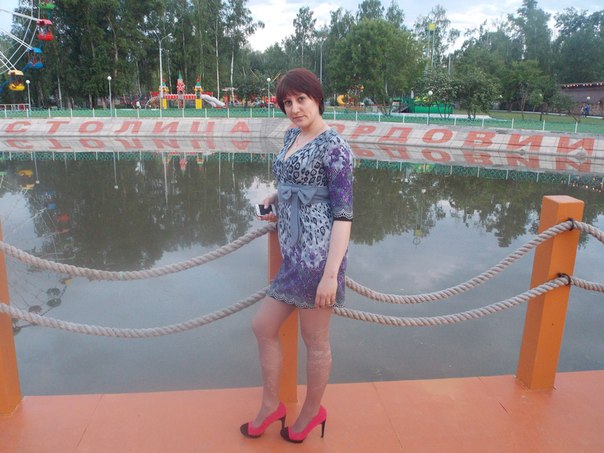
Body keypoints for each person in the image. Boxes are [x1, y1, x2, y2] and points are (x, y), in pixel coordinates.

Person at [240, 68, 353, 444]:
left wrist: (331, 275)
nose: (294, 108)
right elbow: (292, 182)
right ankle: (271, 406)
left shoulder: (334, 147)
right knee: (263, 327)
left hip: (319, 260)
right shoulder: (292, 135)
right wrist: (274, 197)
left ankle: (311, 412)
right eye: (287, 102)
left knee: (315, 341)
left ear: (317, 98)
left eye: (301, 99)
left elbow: (344, 215)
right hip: (292, 254)